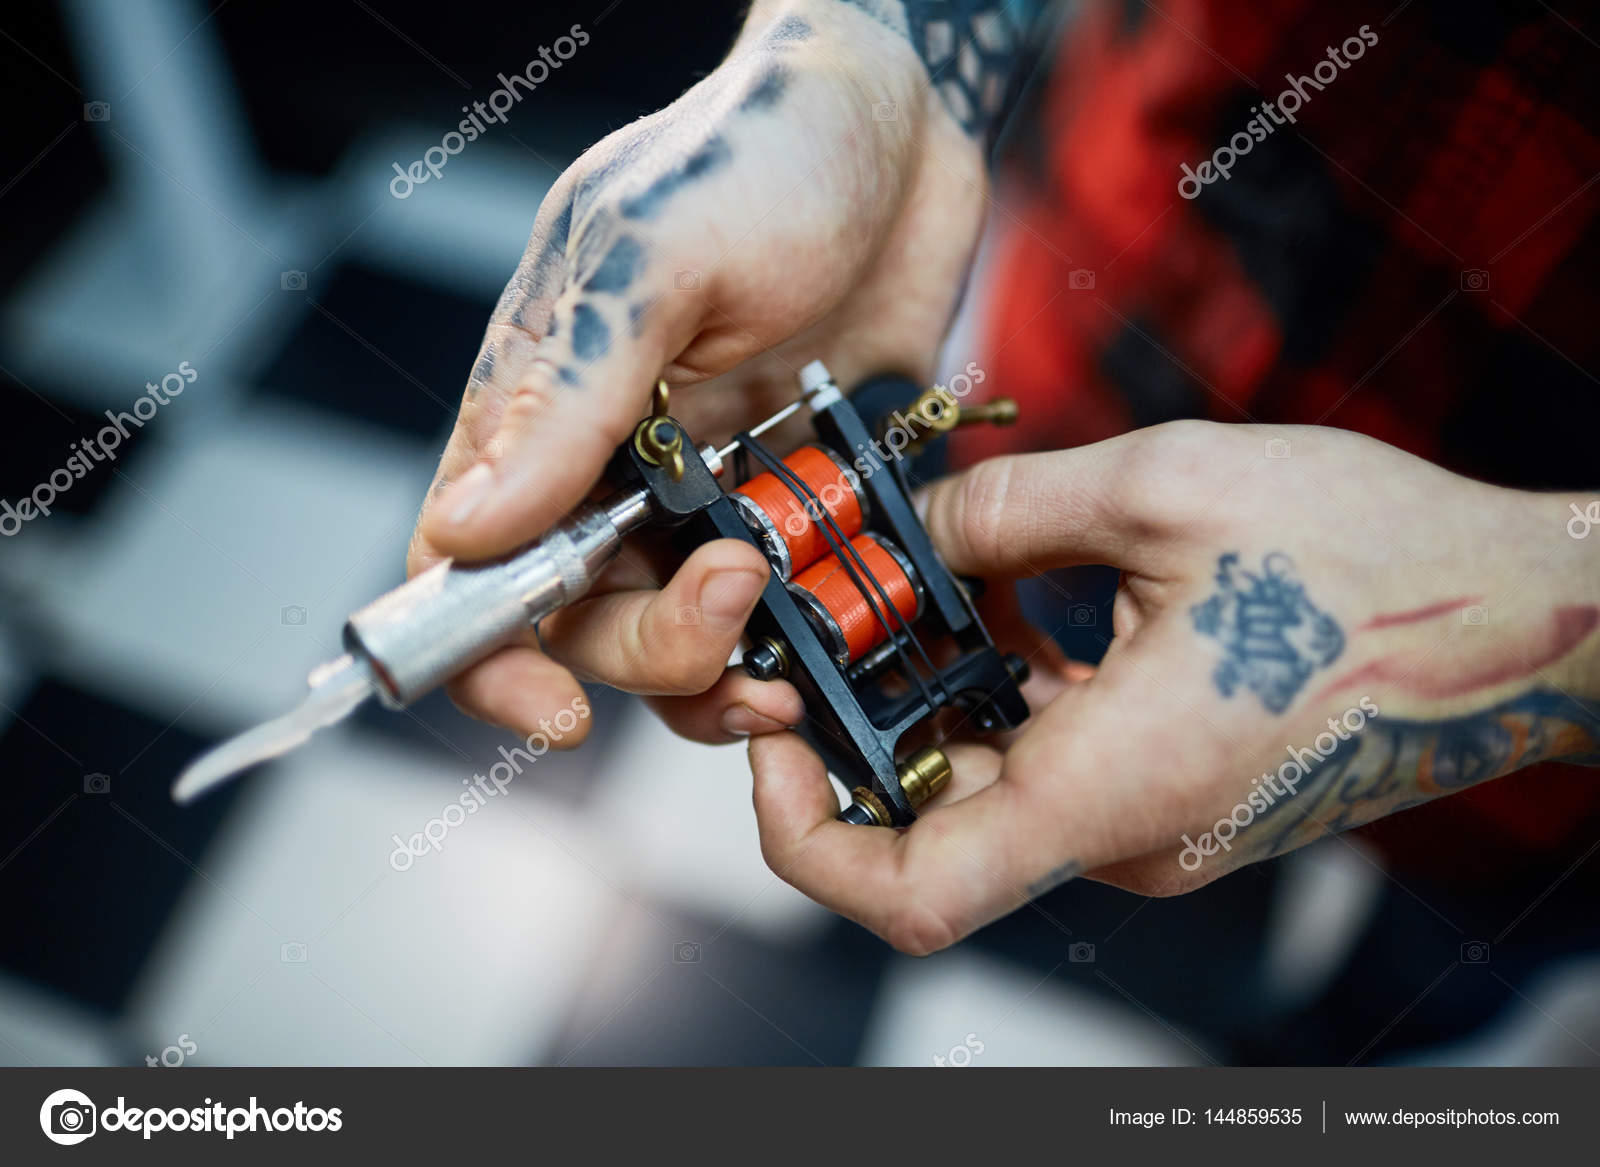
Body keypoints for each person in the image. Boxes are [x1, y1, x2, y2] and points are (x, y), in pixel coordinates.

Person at [407, 1, 1600, 954]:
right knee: (1048, 735)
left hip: (1525, 794)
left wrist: (1529, 630)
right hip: (1090, 344)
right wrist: (867, 49)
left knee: (1441, 951)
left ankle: (1347, 1026)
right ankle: (1071, 856)